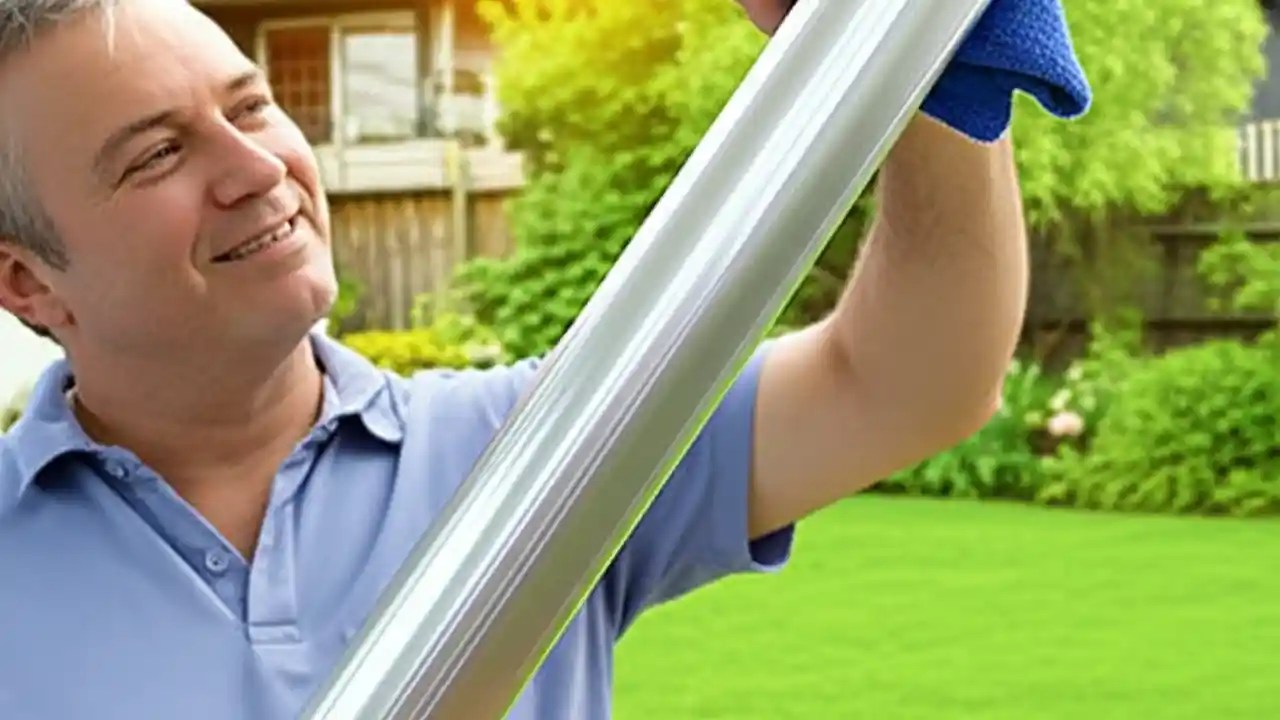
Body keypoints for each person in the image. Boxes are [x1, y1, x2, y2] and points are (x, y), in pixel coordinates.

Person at [0, 0, 1046, 717]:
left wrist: (919, 57)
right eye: (156, 155)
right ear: (26, 283)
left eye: (249, 107)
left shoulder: (539, 454)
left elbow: (912, 380)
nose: (252, 167)